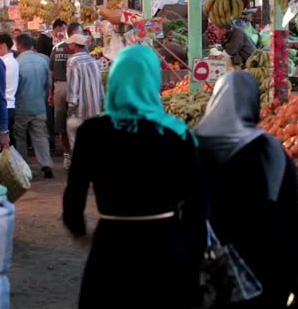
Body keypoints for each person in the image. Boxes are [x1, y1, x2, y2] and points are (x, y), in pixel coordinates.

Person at [62, 45, 205, 308]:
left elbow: (73, 197)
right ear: (153, 81)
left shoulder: (92, 133)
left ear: (115, 81)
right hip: (165, 248)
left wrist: (80, 231)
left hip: (112, 246)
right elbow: (196, 206)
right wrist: (191, 253)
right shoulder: (177, 134)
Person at [194, 71, 298, 309]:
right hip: (263, 262)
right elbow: (290, 211)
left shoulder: (192, 144)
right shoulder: (267, 148)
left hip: (207, 264)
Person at [14, 34, 54, 178]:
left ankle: (22, 166)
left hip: (21, 106)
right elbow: (48, 84)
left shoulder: (17, 63)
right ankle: (46, 164)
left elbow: (14, 87)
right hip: (39, 106)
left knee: (20, 137)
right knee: (40, 136)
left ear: (19, 46)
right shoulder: (44, 60)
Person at [63, 34, 103, 170]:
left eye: (70, 44)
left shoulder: (72, 62)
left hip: (80, 108)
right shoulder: (93, 60)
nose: (68, 46)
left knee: (75, 137)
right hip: (95, 107)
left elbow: (73, 86)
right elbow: (100, 84)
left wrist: (71, 106)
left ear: (75, 45)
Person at [50, 20, 84, 168]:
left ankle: (67, 155)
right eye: (81, 32)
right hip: (75, 88)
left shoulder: (56, 48)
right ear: (75, 33)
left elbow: (51, 73)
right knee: (77, 121)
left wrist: (51, 93)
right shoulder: (81, 50)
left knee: (62, 123)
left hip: (59, 88)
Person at [0, 34, 19, 148]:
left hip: (4, 106)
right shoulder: (12, 61)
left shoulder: (3, 62)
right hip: (11, 105)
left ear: (3, 45)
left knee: (3, 144)